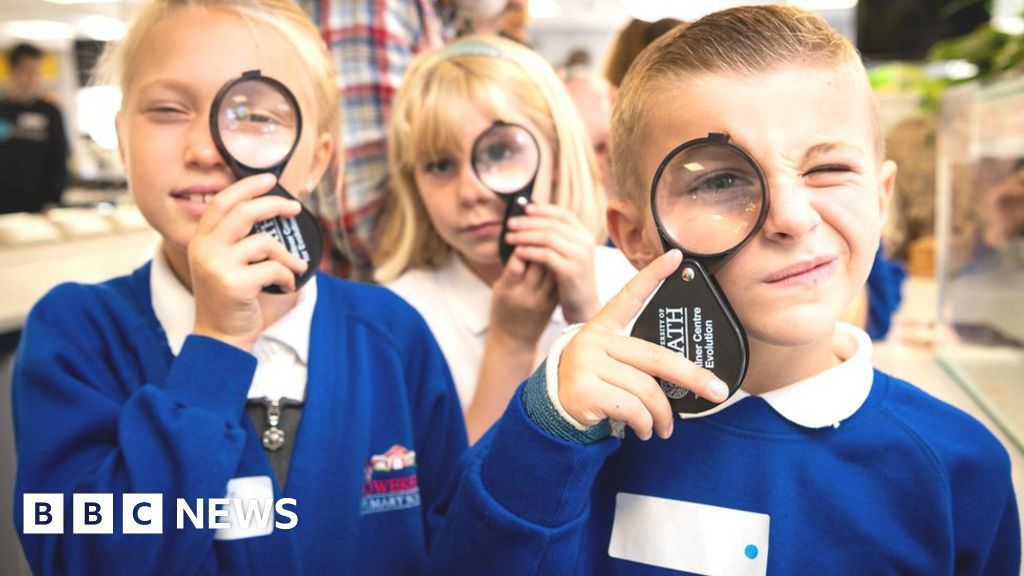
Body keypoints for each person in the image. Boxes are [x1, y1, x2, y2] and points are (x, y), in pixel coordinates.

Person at [426, 6, 1020, 573]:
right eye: (719, 181)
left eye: (828, 170)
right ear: (635, 237)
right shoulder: (567, 431)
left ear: (881, 199)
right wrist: (548, 433)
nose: (791, 217)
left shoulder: (959, 469)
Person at [12, 1, 466, 574]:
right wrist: (217, 346)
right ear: (123, 139)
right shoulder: (75, 334)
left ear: (317, 160)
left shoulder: (393, 335)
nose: (205, 150)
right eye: (167, 110)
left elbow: (457, 545)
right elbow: (82, 560)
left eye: (255, 116)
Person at [375, 35, 635, 443]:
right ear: (413, 183)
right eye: (440, 165)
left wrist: (587, 317)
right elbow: (456, 483)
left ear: (555, 152)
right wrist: (511, 342)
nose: (470, 191)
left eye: (499, 153)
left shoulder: (629, 281)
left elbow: (645, 462)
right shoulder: (396, 317)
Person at [0, 42, 69, 214]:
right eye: (28, 72)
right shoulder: (2, 110)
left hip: (38, 207)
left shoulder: (50, 112)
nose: (33, 79)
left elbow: (59, 158)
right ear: (13, 71)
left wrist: (54, 200)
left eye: (37, 72)